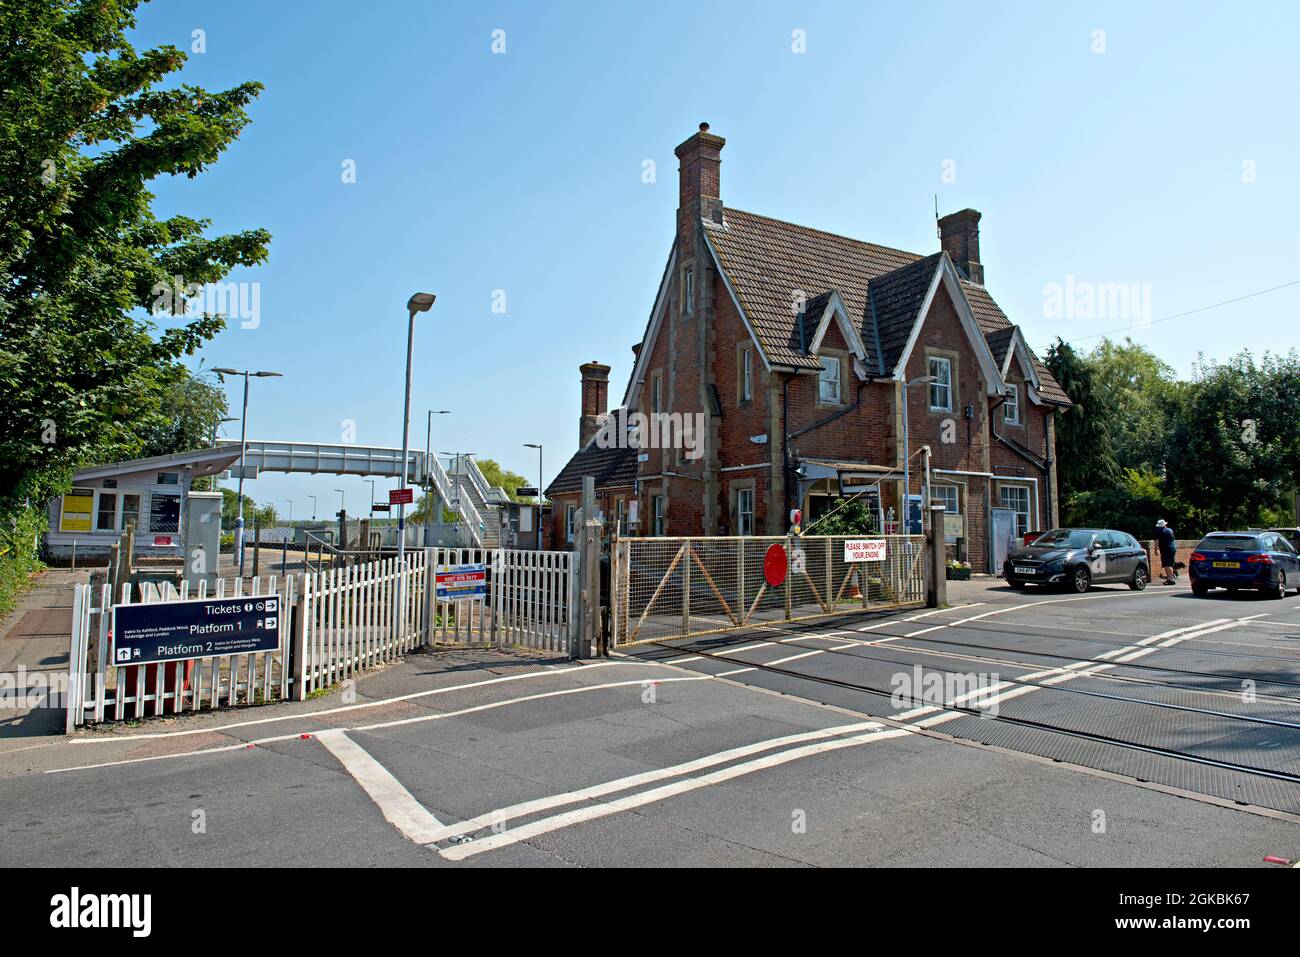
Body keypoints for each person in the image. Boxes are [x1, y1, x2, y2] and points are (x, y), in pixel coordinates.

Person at [1155, 519, 1177, 585]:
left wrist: (1156, 550)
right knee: (1170, 563)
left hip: (1165, 549)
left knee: (1167, 564)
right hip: (1172, 548)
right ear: (1165, 524)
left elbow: (1157, 541)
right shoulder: (1170, 530)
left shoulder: (1159, 531)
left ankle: (1170, 579)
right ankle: (1170, 577)